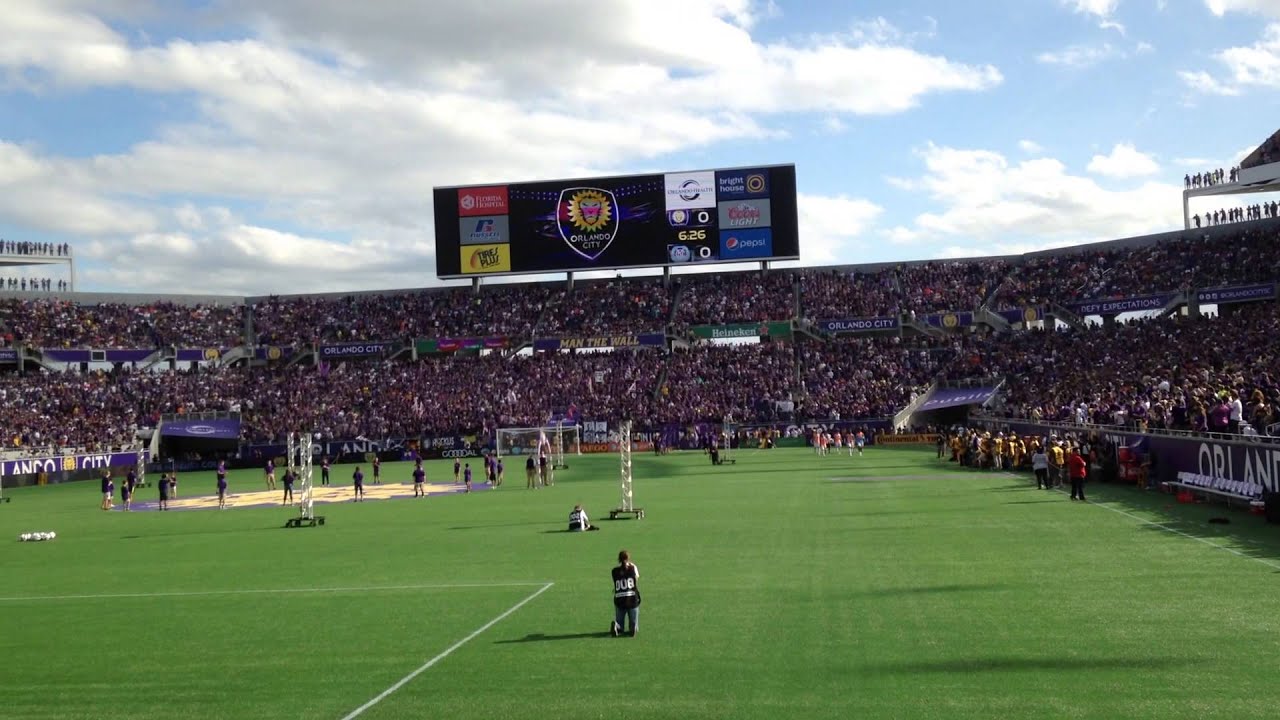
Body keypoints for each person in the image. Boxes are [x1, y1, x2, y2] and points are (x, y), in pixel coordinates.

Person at [611, 550, 641, 637]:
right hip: (632, 600)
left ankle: (617, 626)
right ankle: (633, 627)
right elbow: (635, 581)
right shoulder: (633, 568)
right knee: (634, 622)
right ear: (628, 558)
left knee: (620, 624)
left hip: (619, 600)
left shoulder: (614, 571)